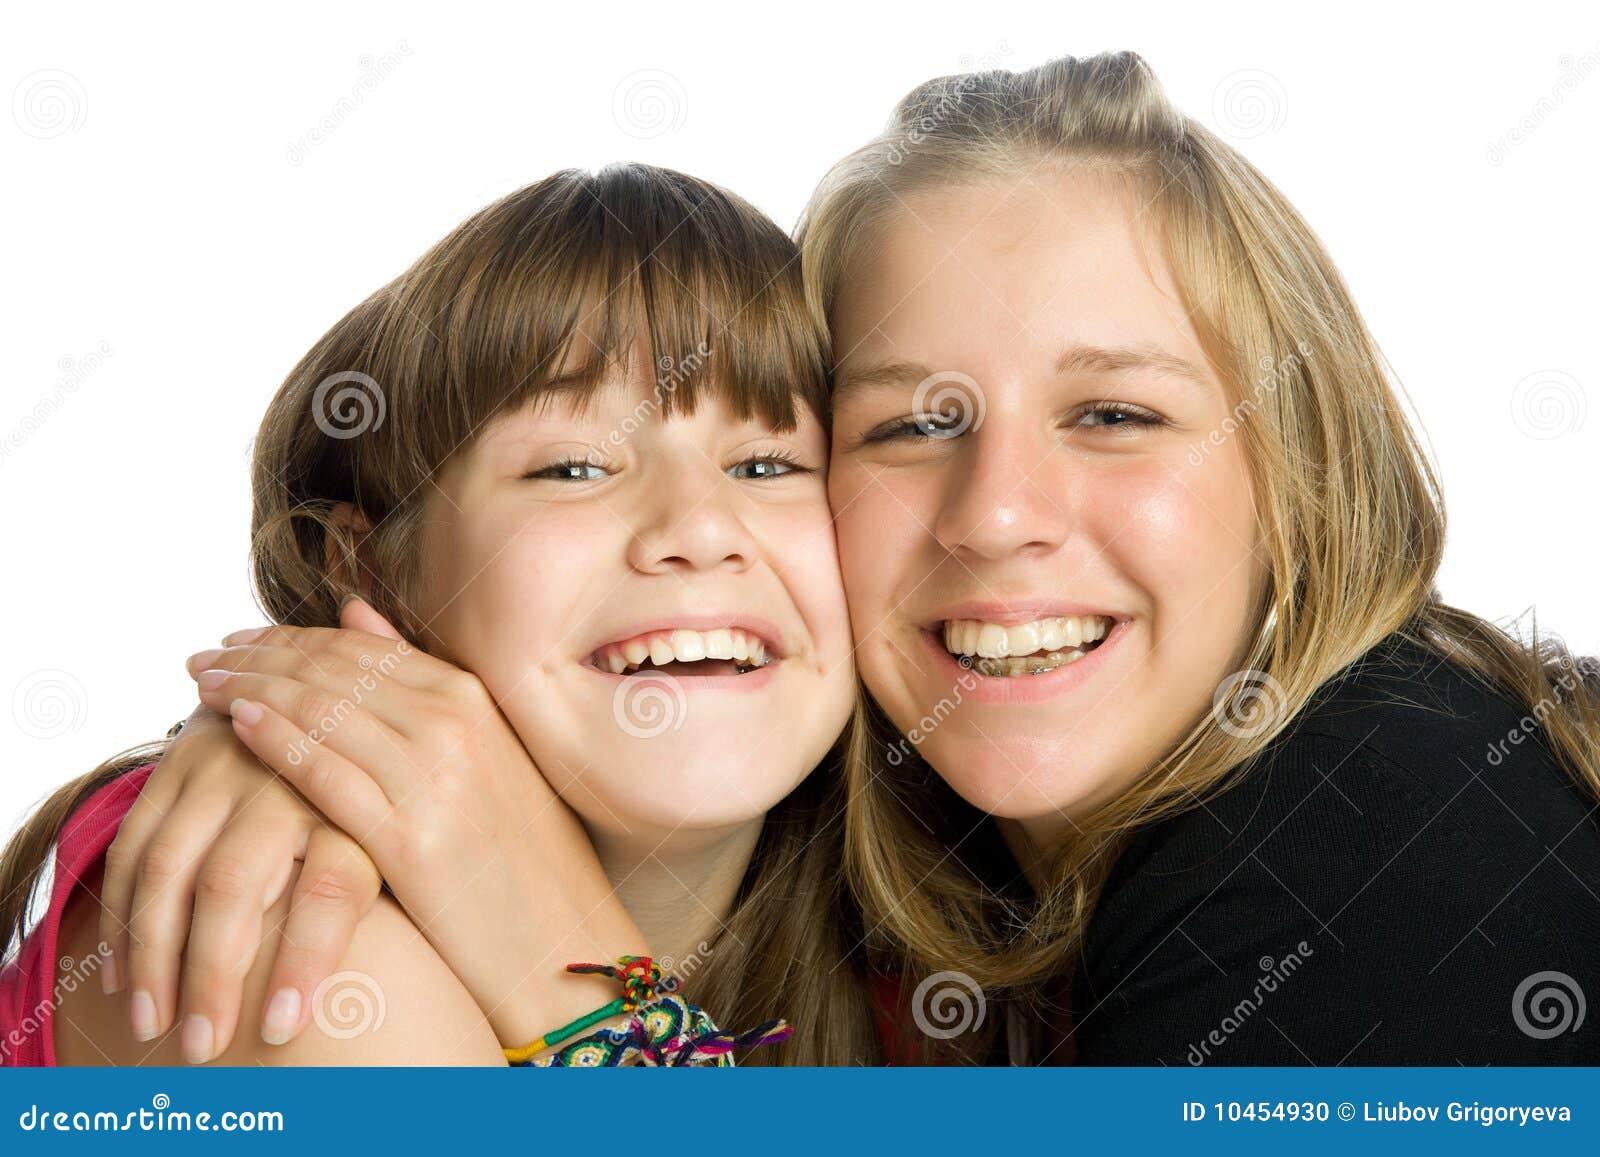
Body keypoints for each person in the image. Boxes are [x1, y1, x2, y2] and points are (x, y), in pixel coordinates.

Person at [803, 50, 1600, 1063]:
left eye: (1113, 413)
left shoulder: (1361, 850)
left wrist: (572, 969)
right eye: (911, 426)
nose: (995, 514)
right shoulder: (943, 886)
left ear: (1296, 471)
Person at [0, 163, 879, 1067]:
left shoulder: (917, 948)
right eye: (572, 467)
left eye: (768, 465)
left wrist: (573, 976)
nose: (699, 529)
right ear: (373, 569)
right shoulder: (317, 969)